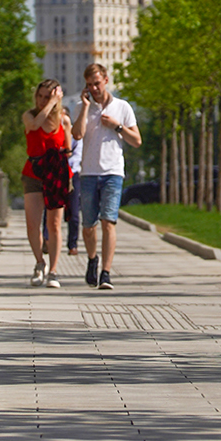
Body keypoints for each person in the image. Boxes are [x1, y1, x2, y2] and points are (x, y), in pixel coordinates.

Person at [73, 62, 140, 290]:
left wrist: (117, 126)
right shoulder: (82, 107)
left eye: (97, 83)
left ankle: (106, 272)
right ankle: (93, 260)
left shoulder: (122, 107)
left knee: (108, 222)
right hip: (89, 173)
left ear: (106, 81)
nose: (94, 88)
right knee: (88, 225)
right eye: (89, 85)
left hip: (113, 173)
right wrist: (84, 107)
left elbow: (136, 140)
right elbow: (77, 134)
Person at [21, 79, 72, 288]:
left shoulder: (64, 121)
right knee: (33, 223)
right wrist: (51, 103)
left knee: (54, 225)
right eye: (40, 96)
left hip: (57, 174)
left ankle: (53, 270)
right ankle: (39, 263)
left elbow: (68, 149)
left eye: (47, 97)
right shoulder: (30, 116)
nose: (43, 101)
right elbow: (34, 126)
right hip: (33, 172)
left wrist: (67, 179)